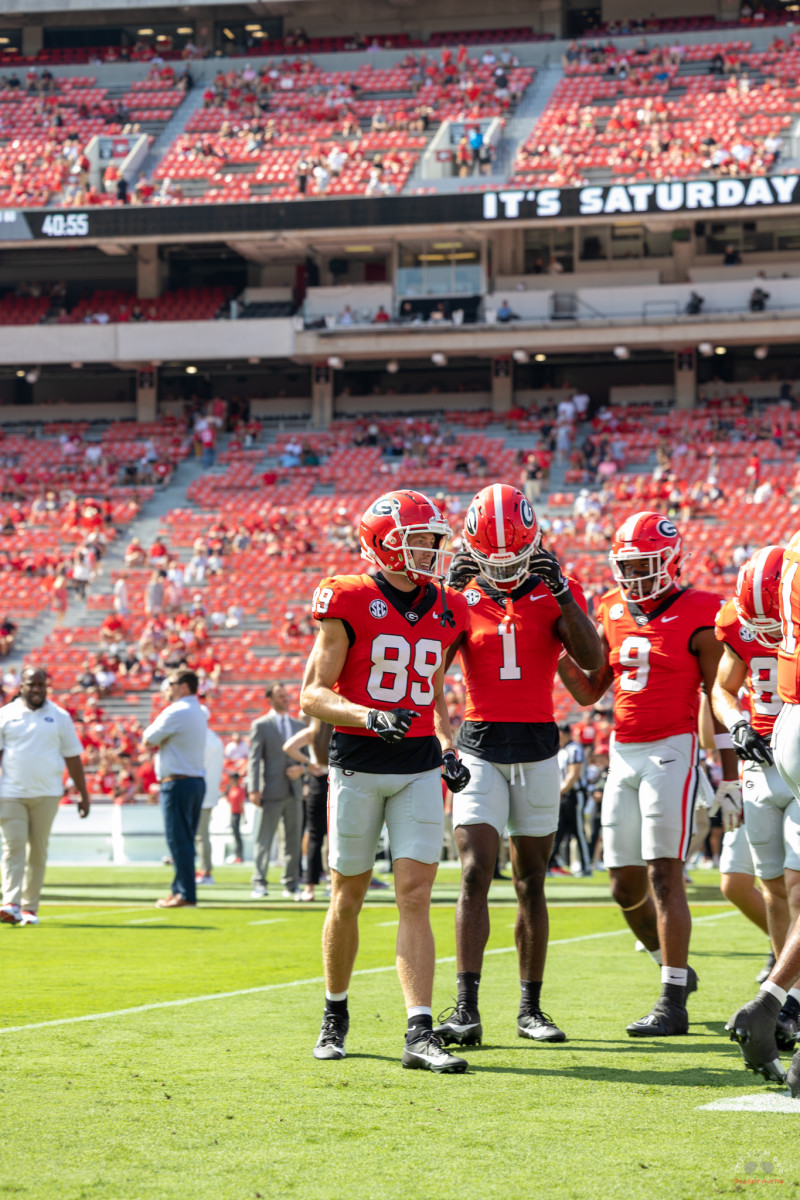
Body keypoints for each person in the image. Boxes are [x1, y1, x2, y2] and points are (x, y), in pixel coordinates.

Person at [300, 489, 471, 1072]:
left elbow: (436, 692)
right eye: (418, 540)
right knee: (346, 896)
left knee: (415, 897)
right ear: (384, 543)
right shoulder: (348, 595)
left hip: (419, 766)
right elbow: (313, 694)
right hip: (358, 765)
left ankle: (419, 1031)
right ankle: (335, 1011)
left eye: (432, 540)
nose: (430, 550)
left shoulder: (450, 605)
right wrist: (369, 715)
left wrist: (449, 745)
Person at [433, 484, 602, 1049]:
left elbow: (593, 661)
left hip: (539, 748)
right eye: (491, 559)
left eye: (514, 558)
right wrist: (446, 599)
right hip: (479, 744)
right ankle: (465, 1009)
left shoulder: (558, 588)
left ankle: (530, 1008)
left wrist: (563, 596)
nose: (502, 570)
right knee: (476, 871)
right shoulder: (458, 594)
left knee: (531, 880)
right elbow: (428, 668)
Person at [558, 511, 739, 1036]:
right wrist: (555, 657)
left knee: (664, 873)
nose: (634, 575)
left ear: (671, 560)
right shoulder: (612, 608)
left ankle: (672, 1000)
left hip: (672, 749)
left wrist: (728, 777)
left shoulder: (703, 610)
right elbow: (592, 692)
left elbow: (719, 697)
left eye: (645, 564)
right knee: (621, 882)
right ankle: (674, 968)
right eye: (628, 564)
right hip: (623, 750)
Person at [712, 546, 800, 1049]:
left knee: (796, 881)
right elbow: (722, 688)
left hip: (795, 756)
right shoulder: (737, 621)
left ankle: (786, 1000)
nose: (764, 634)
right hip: (759, 763)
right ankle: (785, 1000)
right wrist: (738, 723)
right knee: (771, 886)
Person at [0, 667, 90, 926]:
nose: (36, 689)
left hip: (47, 794)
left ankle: (30, 908)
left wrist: (84, 795)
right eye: (31, 684)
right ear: (21, 687)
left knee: (37, 851)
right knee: (13, 847)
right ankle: (11, 903)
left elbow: (72, 756)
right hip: (11, 793)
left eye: (41, 684)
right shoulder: (5, 715)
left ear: (46, 686)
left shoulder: (60, 716)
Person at [143, 669, 207, 909]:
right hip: (193, 780)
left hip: (177, 782)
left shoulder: (177, 710)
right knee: (185, 840)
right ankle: (180, 889)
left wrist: (162, 740)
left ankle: (185, 893)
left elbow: (147, 739)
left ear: (183, 686)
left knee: (178, 839)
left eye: (170, 683)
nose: (166, 688)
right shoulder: (198, 710)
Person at [247, 681, 305, 899]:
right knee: (265, 840)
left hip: (295, 791)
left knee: (293, 840)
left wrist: (302, 769)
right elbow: (254, 760)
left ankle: (291, 883)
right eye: (280, 696)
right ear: (269, 699)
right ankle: (259, 882)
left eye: (286, 695)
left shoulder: (299, 726)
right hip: (270, 791)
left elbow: (309, 759)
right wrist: (253, 788)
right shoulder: (261, 725)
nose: (286, 699)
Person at [284, 715, 332, 902]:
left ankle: (309, 888)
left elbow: (289, 747)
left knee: (314, 836)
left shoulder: (313, 732)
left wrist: (308, 764)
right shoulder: (338, 730)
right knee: (335, 837)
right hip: (336, 781)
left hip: (317, 784)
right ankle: (333, 883)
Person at [195, 721, 224, 886]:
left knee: (200, 836)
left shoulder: (203, 738)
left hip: (200, 791)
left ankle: (205, 871)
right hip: (208, 792)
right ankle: (204, 870)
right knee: (201, 835)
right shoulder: (214, 738)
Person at [226, 772, 246, 862]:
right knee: (234, 835)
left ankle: (239, 856)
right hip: (232, 813)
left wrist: (244, 816)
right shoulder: (232, 789)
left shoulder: (240, 789)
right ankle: (236, 855)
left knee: (237, 835)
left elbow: (241, 804)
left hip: (237, 814)